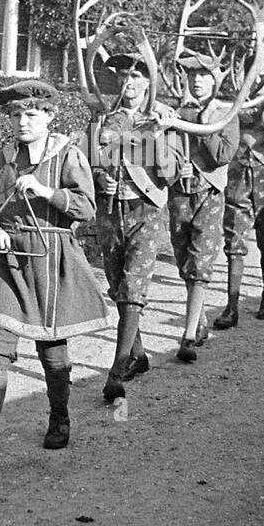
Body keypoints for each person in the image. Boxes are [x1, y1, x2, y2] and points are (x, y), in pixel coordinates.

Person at [0, 81, 109, 479]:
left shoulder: (68, 155)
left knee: (52, 353)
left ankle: (59, 415)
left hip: (50, 261)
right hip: (7, 261)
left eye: (31, 114)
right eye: (16, 115)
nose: (22, 122)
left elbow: (87, 208)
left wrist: (45, 190)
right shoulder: (3, 158)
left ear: (50, 117)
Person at [89, 54, 178, 400]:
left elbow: (170, 173)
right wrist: (100, 179)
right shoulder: (103, 119)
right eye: (124, 74)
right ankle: (138, 355)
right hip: (111, 214)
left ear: (149, 82)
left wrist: (159, 135)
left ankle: (116, 371)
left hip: (146, 211)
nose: (129, 81)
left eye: (137, 75)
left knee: (133, 287)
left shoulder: (163, 118)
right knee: (117, 285)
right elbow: (90, 161)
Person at [162, 51, 240, 362]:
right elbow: (162, 149)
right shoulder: (175, 112)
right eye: (191, 75)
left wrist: (206, 124)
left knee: (200, 265)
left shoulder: (226, 113)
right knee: (185, 262)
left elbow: (223, 154)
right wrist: (174, 164)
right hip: (179, 195)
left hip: (209, 193)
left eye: (203, 75)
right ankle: (200, 321)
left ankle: (188, 334)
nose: (197, 81)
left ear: (215, 80)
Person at [214, 60, 264, 326]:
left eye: (263, 75)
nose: (257, 80)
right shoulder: (232, 106)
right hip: (238, 178)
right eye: (252, 74)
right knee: (234, 243)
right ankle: (232, 306)